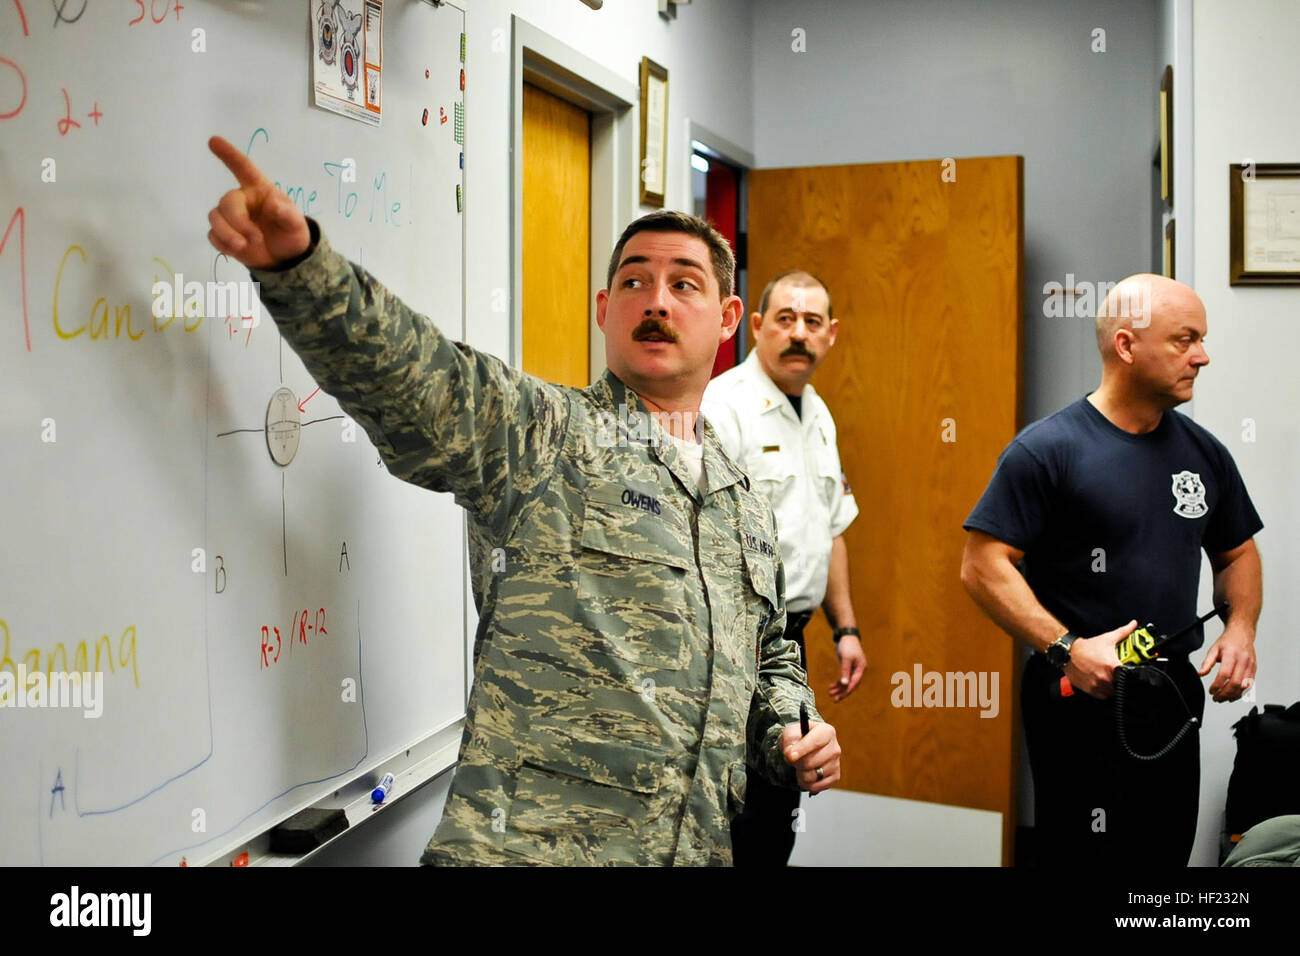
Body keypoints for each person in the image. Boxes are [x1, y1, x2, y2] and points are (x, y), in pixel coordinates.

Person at [203, 136, 841, 866]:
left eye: (684, 284)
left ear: (729, 319)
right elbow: (419, 378)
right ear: (605, 309)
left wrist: (793, 727)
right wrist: (302, 270)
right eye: (635, 283)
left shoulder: (743, 503)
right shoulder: (546, 436)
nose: (657, 301)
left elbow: (771, 658)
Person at [960, 273, 1263, 867]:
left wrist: (1241, 629)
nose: (1202, 356)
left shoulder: (1204, 454)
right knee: (1084, 854)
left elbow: (1237, 553)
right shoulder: (1047, 450)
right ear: (1126, 346)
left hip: (1173, 693)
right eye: (1185, 340)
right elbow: (983, 565)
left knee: (1163, 857)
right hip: (1080, 692)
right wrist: (1066, 646)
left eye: (1200, 340)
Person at [702, 271, 865, 866]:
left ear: (831, 334)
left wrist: (845, 629)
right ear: (757, 325)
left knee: (778, 808)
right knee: (735, 813)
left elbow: (831, 529)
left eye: (812, 322)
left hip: (790, 640)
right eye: (786, 319)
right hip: (730, 643)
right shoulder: (724, 407)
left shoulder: (817, 412)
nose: (799, 334)